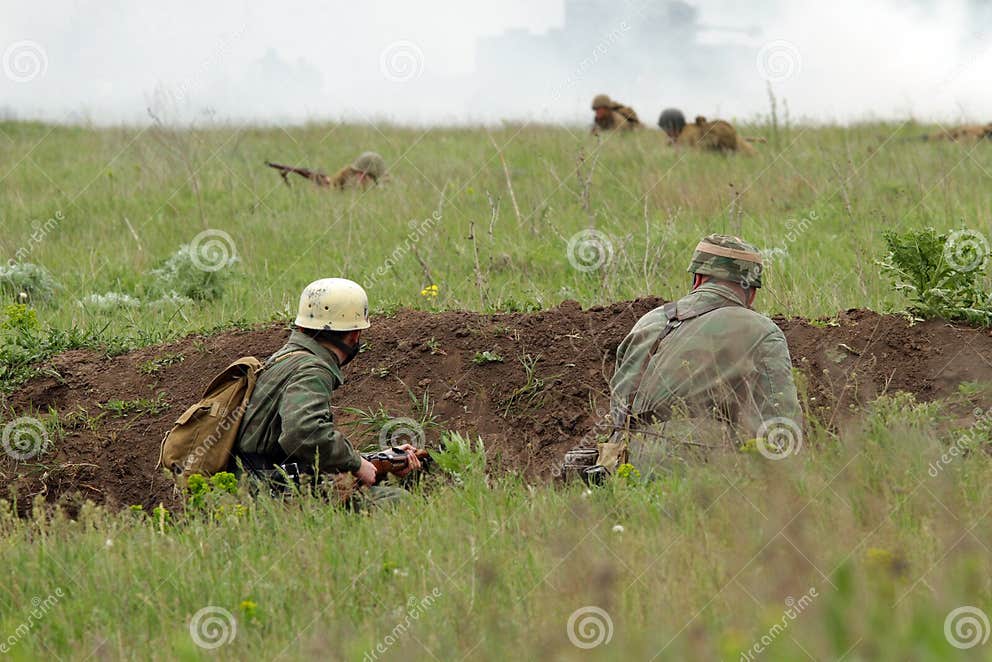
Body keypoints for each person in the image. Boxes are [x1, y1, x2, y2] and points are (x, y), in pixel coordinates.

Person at [607, 234, 801, 472]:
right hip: (691, 465)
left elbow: (618, 408)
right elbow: (780, 422)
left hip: (619, 463)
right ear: (751, 293)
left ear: (697, 279)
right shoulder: (761, 331)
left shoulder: (648, 321)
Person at [233, 277, 420, 507]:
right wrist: (356, 464)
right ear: (354, 335)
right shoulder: (312, 370)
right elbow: (302, 432)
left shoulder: (283, 359)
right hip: (268, 491)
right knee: (399, 501)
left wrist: (372, 460)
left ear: (301, 327)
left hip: (253, 481)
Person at [658, 108, 756, 154]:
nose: (666, 133)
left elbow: (681, 154)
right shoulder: (691, 129)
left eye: (667, 129)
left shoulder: (686, 134)